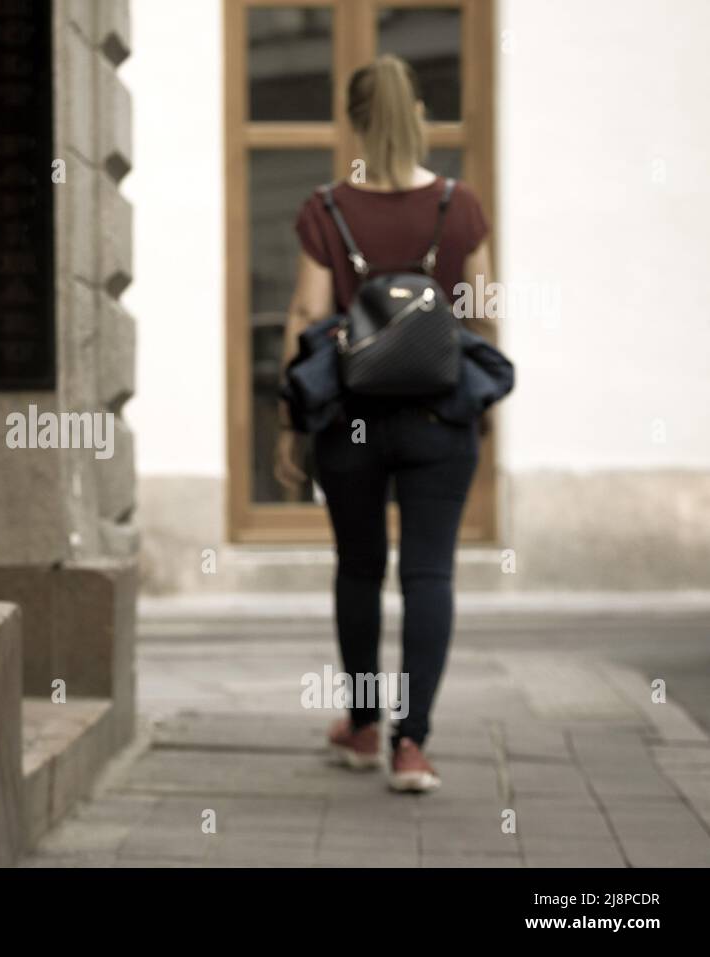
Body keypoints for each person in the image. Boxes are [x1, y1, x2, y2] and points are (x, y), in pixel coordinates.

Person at [275, 54, 499, 793]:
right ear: (420, 114)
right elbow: (481, 311)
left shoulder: (326, 209)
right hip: (440, 417)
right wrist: (480, 406)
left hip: (352, 423)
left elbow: (307, 316)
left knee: (361, 567)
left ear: (355, 122)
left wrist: (290, 423)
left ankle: (364, 726)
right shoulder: (459, 207)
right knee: (429, 571)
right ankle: (414, 746)